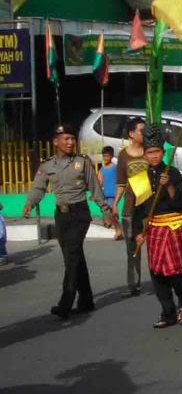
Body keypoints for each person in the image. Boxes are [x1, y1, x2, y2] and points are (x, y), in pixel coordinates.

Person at [24, 124, 114, 319]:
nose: (70, 142)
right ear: (55, 142)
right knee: (74, 257)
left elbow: (95, 188)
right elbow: (39, 187)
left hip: (80, 214)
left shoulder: (83, 162)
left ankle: (65, 303)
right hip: (61, 216)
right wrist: (30, 203)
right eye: (66, 139)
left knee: (72, 256)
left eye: (72, 139)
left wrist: (105, 211)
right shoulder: (47, 165)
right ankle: (86, 300)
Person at [133, 125, 182, 328]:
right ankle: (167, 312)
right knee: (157, 272)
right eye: (150, 152)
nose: (154, 156)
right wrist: (137, 232)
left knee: (172, 269)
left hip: (173, 226)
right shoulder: (140, 178)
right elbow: (137, 209)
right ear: (144, 155)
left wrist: (169, 186)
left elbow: (181, 203)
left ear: (163, 152)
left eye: (157, 151)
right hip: (153, 228)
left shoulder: (173, 173)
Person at [114, 116, 148, 296]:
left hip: (150, 208)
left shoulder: (151, 151)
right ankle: (134, 284)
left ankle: (163, 281)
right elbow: (121, 183)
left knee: (155, 246)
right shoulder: (123, 155)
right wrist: (115, 204)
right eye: (142, 131)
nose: (144, 133)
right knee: (132, 249)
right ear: (132, 133)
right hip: (130, 209)